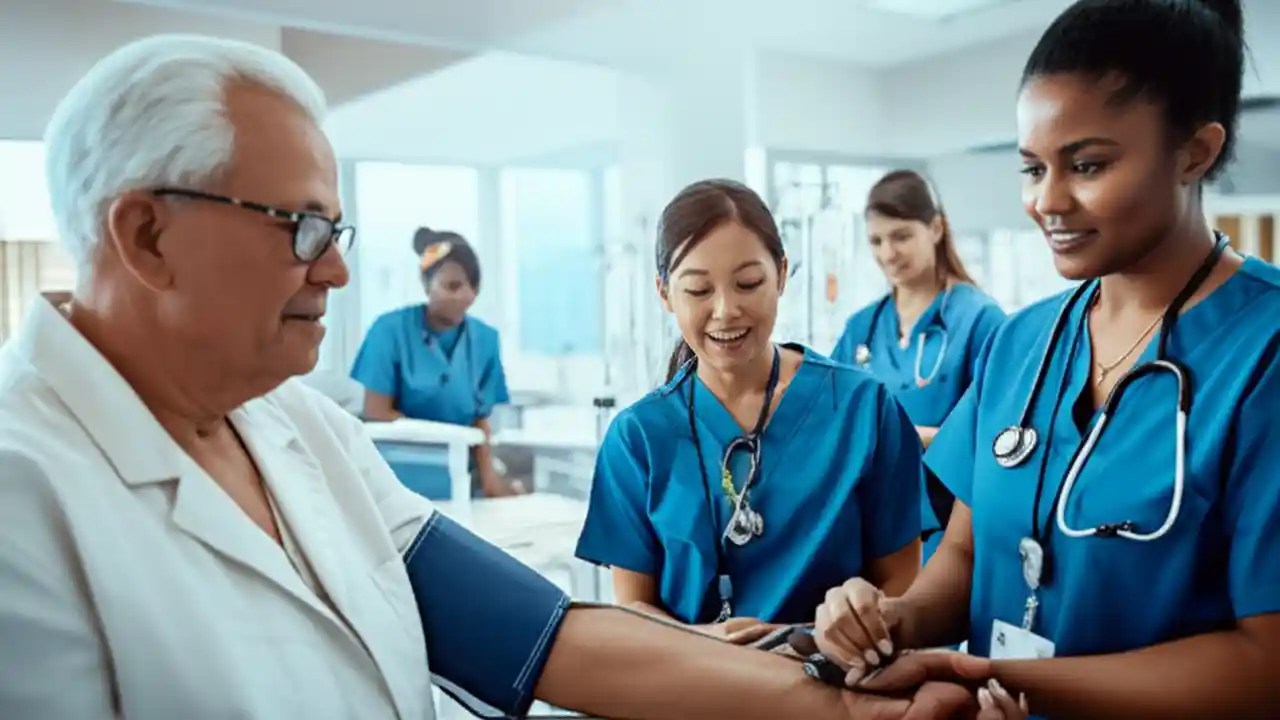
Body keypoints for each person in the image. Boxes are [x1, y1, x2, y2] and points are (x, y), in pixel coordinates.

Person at [0, 33, 986, 720]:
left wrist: (850, 714)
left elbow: (539, 636)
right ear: (146, 234)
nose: (336, 269)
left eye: (336, 232)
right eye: (300, 228)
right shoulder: (23, 497)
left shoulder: (301, 431)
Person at [813, 1, 1280, 718]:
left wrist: (1000, 679)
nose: (1046, 201)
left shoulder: (1264, 350)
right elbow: (965, 560)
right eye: (1032, 167)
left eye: (1088, 165)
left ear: (1196, 151)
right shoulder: (1024, 341)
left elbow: (1264, 662)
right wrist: (889, 623)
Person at [575, 178, 924, 645]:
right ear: (664, 294)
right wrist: (705, 644)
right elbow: (634, 607)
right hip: (694, 690)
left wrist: (854, 627)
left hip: (834, 687)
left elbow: (903, 587)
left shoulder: (864, 410)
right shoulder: (637, 438)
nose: (726, 311)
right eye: (698, 291)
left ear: (781, 274)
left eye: (748, 283)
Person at [832, 171, 1005, 562]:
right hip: (870, 528)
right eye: (876, 240)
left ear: (936, 228)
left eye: (901, 236)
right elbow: (831, 419)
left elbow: (1000, 437)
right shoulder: (861, 328)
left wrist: (907, 435)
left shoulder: (979, 320)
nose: (887, 253)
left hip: (949, 532)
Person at [351, 227, 518, 498]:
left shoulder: (485, 339)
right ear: (427, 284)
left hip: (459, 477)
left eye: (473, 286)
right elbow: (377, 411)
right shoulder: (389, 331)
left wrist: (491, 483)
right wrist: (441, 440)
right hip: (396, 474)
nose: (465, 296)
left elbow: (480, 420)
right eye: (452, 286)